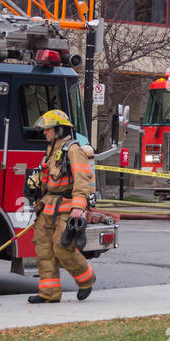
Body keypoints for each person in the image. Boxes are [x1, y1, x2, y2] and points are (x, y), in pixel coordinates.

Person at [26, 109, 96, 303]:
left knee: (62, 248)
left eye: (47, 129)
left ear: (58, 130)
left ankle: (86, 279)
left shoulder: (73, 150)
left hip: (66, 207)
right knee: (44, 249)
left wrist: (78, 206)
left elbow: (83, 179)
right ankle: (49, 293)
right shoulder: (51, 151)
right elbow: (47, 178)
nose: (44, 133)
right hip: (48, 206)